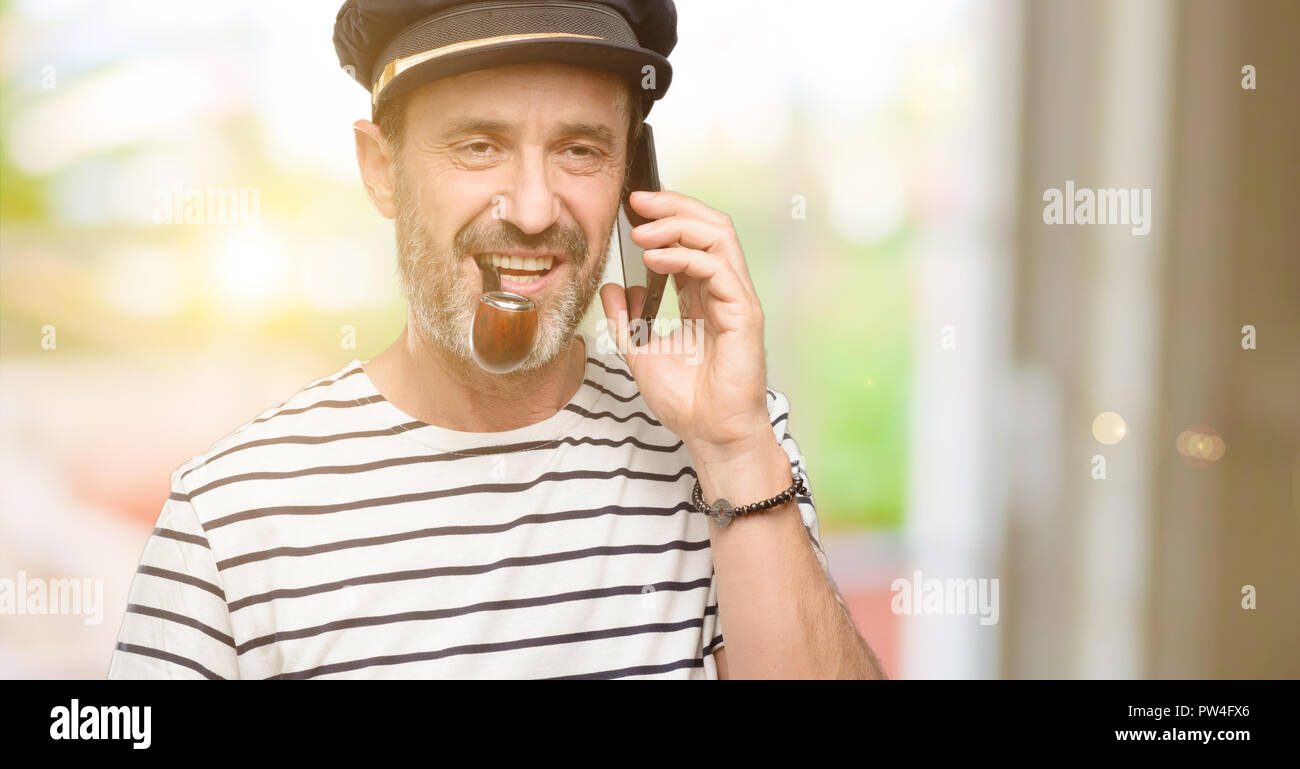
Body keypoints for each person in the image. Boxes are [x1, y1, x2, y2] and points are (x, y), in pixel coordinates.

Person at [107, 0, 884, 679]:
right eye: (480, 145)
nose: (537, 209)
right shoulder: (230, 515)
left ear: (631, 183)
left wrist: (735, 447)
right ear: (381, 168)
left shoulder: (731, 455)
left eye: (581, 150)